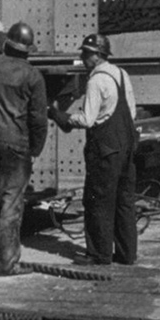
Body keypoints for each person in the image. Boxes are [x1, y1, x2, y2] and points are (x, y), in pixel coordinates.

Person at [48, 33, 138, 266]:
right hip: (127, 148)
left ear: (97, 56)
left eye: (86, 53)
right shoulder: (121, 74)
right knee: (124, 202)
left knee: (98, 202)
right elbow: (132, 112)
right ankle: (127, 254)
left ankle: (99, 254)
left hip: (105, 150)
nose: (82, 56)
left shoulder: (96, 80)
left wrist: (60, 116)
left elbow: (87, 119)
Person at [0, 20, 48, 277]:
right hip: (16, 147)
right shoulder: (33, 76)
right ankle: (5, 265)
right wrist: (36, 150)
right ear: (28, 50)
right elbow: (38, 119)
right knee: (10, 207)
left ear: (9, 45)